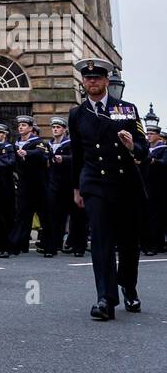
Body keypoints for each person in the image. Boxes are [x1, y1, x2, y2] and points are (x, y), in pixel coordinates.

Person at [69, 57, 149, 320]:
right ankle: (105, 298)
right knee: (101, 241)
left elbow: (143, 147)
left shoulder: (126, 109)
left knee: (128, 242)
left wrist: (131, 147)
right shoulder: (77, 114)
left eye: (97, 78)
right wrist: (77, 188)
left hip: (125, 183)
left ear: (106, 81)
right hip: (94, 183)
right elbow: (78, 154)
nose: (92, 82)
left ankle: (128, 284)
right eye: (88, 78)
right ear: (83, 82)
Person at [8, 115, 55, 256]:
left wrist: (27, 153)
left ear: (30, 128)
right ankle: (16, 246)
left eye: (24, 125)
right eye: (19, 125)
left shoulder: (39, 143)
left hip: (39, 185)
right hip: (24, 185)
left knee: (45, 216)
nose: (20, 127)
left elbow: (41, 155)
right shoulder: (15, 143)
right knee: (22, 215)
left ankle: (49, 248)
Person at [47, 115, 86, 256]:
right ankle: (52, 246)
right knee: (54, 215)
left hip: (69, 183)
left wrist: (63, 158)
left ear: (64, 130)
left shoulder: (70, 144)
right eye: (53, 127)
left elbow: (77, 159)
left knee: (76, 216)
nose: (55, 130)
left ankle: (78, 246)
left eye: (58, 127)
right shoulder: (49, 145)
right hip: (54, 183)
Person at [0, 122, 17, 257]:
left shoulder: (8, 147)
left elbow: (10, 162)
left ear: (5, 135)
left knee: (7, 216)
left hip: (5, 186)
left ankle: (8, 246)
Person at [141, 110, 166, 255]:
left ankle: (156, 244)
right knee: (146, 216)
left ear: (158, 135)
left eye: (151, 134)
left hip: (158, 187)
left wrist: (152, 161)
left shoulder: (163, 149)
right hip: (145, 186)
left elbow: (164, 163)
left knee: (155, 217)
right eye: (147, 134)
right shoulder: (145, 149)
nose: (148, 136)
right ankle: (147, 243)